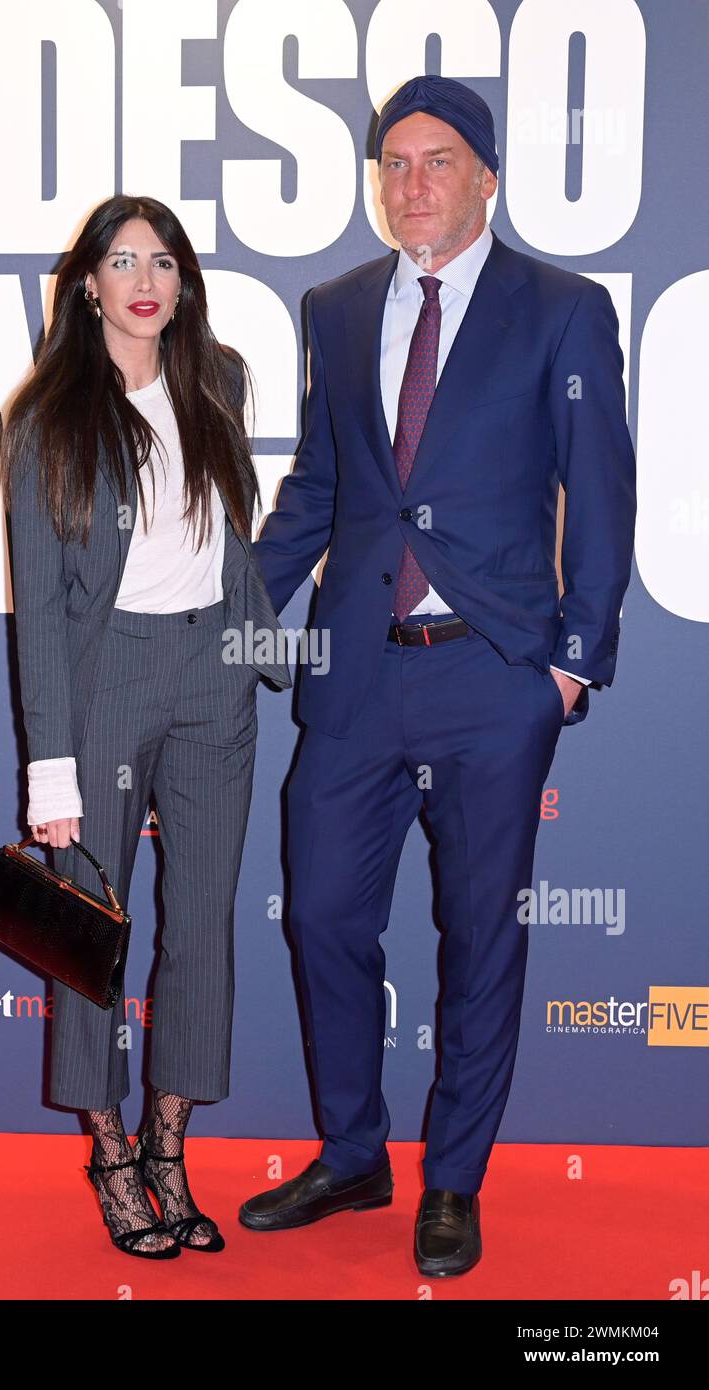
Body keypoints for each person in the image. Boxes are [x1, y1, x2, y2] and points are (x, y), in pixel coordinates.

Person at [239, 75, 637, 1276]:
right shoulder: (337, 304)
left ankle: (451, 1179)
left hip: (494, 676)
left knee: (479, 939)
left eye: (436, 162)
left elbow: (601, 494)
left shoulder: (560, 310)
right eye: (393, 164)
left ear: (485, 178)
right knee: (316, 916)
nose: (410, 184)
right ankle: (352, 1151)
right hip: (356, 671)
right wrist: (230, 628)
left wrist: (568, 664)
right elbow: (321, 485)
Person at [1, 194, 291, 1259]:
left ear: (182, 281)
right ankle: (109, 1146)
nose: (145, 279)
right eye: (122, 261)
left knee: (202, 922)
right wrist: (51, 767)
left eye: (162, 261)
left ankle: (170, 1142)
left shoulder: (215, 380)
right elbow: (38, 603)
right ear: (86, 283)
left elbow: (237, 530)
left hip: (213, 670)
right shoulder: (45, 419)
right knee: (92, 940)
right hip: (106, 673)